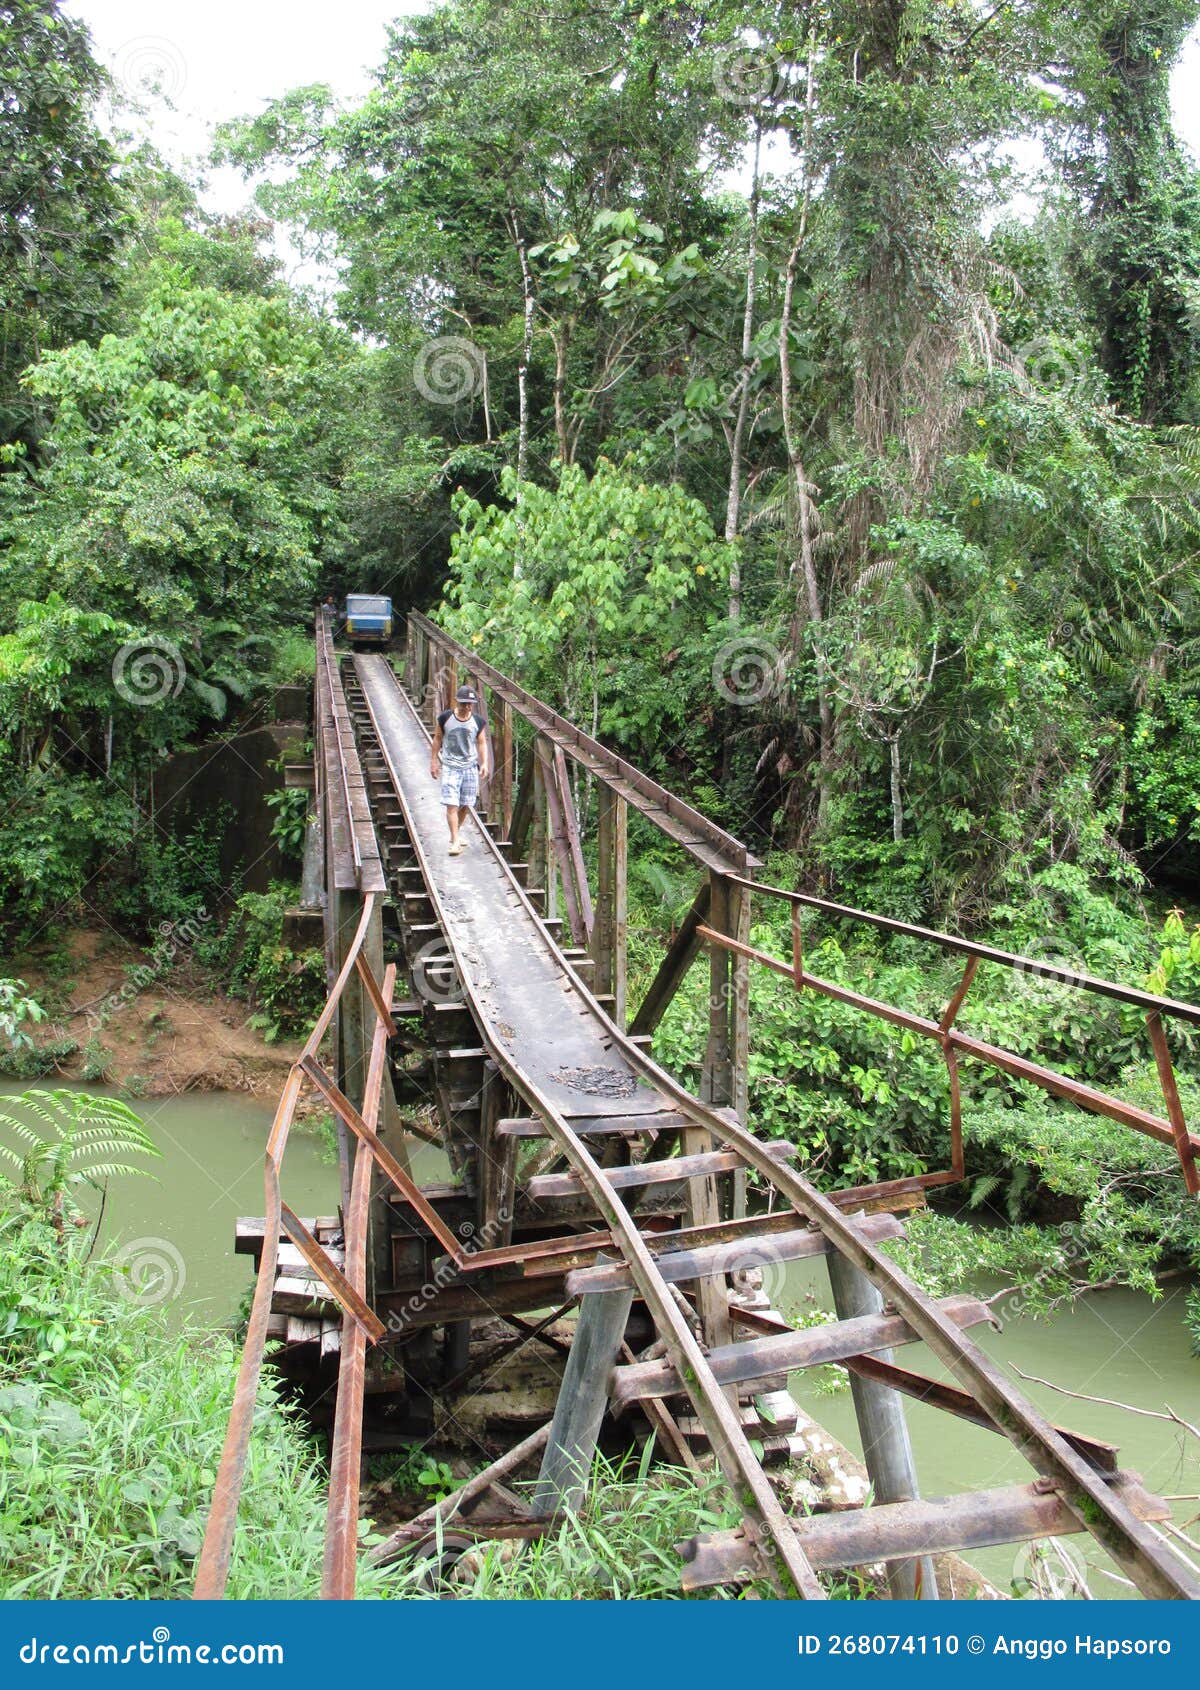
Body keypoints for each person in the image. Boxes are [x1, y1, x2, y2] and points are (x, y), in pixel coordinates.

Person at [431, 685, 490, 856]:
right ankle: (455, 841)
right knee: (452, 804)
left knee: (466, 804)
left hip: (470, 766)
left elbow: (482, 742)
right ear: (457, 702)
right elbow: (437, 739)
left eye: (470, 704)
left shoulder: (478, 721)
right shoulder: (445, 718)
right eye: (464, 703)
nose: (467, 707)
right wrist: (434, 761)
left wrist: (484, 763)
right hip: (450, 766)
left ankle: (455, 834)